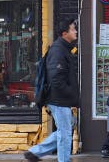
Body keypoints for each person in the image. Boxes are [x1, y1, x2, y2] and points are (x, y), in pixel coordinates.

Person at [23, 17, 79, 162]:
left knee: (64, 130)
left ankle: (34, 153)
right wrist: (70, 94)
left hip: (60, 99)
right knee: (65, 133)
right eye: (73, 29)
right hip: (59, 99)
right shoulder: (58, 51)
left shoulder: (63, 49)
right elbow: (56, 79)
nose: (76, 31)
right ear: (64, 33)